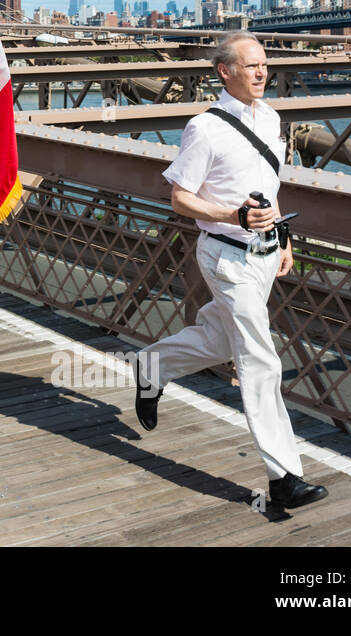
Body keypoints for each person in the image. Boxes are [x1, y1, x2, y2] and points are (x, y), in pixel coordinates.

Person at [133, 31, 328, 510]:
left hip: (263, 254)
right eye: (251, 65)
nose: (262, 72)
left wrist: (283, 237)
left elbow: (267, 183)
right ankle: (284, 477)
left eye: (265, 65)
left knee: (220, 340)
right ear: (225, 71)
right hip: (225, 254)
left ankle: (150, 366)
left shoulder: (272, 118)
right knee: (260, 359)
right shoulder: (205, 128)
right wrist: (232, 216)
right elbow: (180, 198)